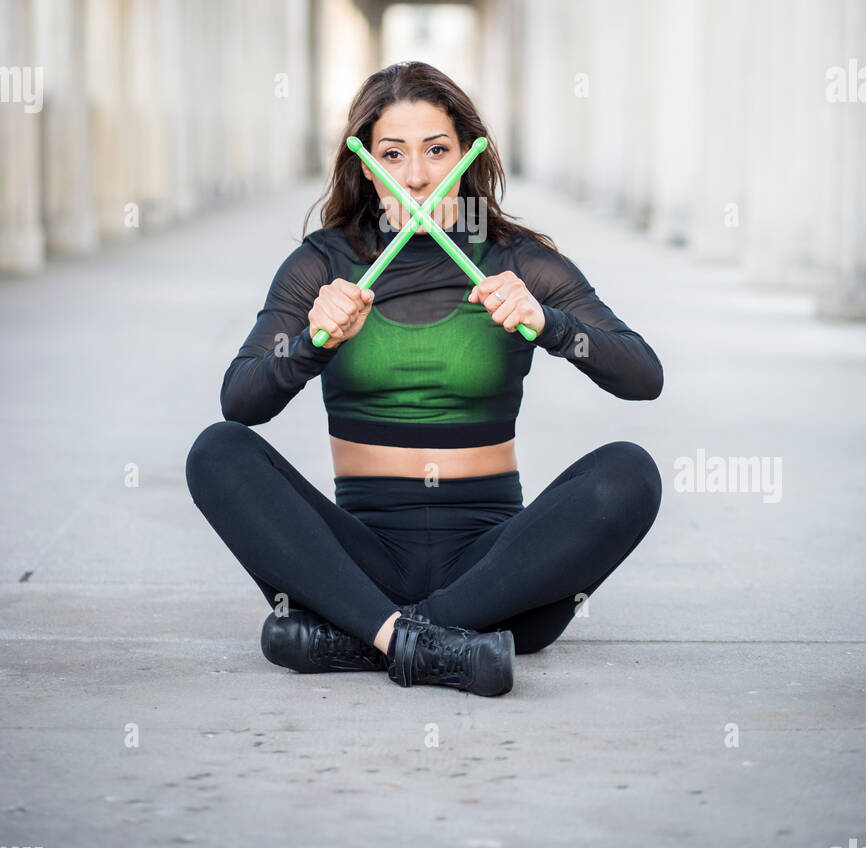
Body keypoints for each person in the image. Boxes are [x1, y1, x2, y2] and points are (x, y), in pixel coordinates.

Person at [185, 62, 664, 697]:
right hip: (357, 562)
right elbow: (239, 401)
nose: (414, 176)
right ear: (365, 167)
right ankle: (425, 643)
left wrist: (545, 321)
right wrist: (308, 344)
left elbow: (643, 375)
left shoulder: (517, 262)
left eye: (437, 151)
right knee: (216, 452)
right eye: (392, 154)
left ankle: (372, 639)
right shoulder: (322, 264)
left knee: (630, 472)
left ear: (468, 157)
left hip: (497, 575)